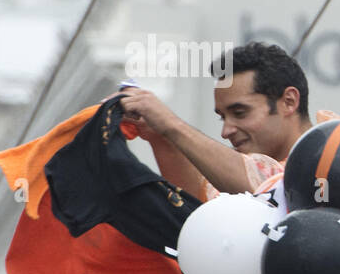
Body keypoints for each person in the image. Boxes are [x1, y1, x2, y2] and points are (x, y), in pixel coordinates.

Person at [117, 41, 312, 197]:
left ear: (289, 101)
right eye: (222, 117)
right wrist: (157, 134)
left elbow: (271, 188)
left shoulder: (335, 155)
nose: (225, 132)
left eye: (240, 113)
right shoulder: (233, 187)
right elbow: (196, 201)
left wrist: (170, 124)